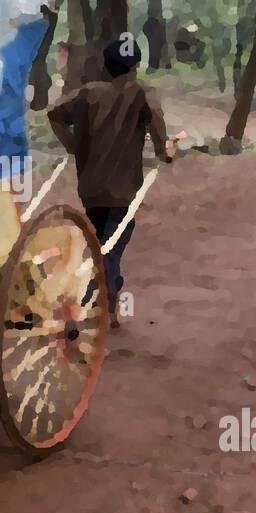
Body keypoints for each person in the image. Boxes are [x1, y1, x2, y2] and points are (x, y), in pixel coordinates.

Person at [48, 34, 171, 329]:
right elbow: (156, 122)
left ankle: (108, 306)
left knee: (102, 243)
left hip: (91, 188)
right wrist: (162, 151)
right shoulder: (142, 93)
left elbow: (54, 114)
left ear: (106, 65)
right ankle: (92, 305)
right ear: (137, 65)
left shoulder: (88, 93)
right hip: (123, 190)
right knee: (110, 249)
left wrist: (73, 145)